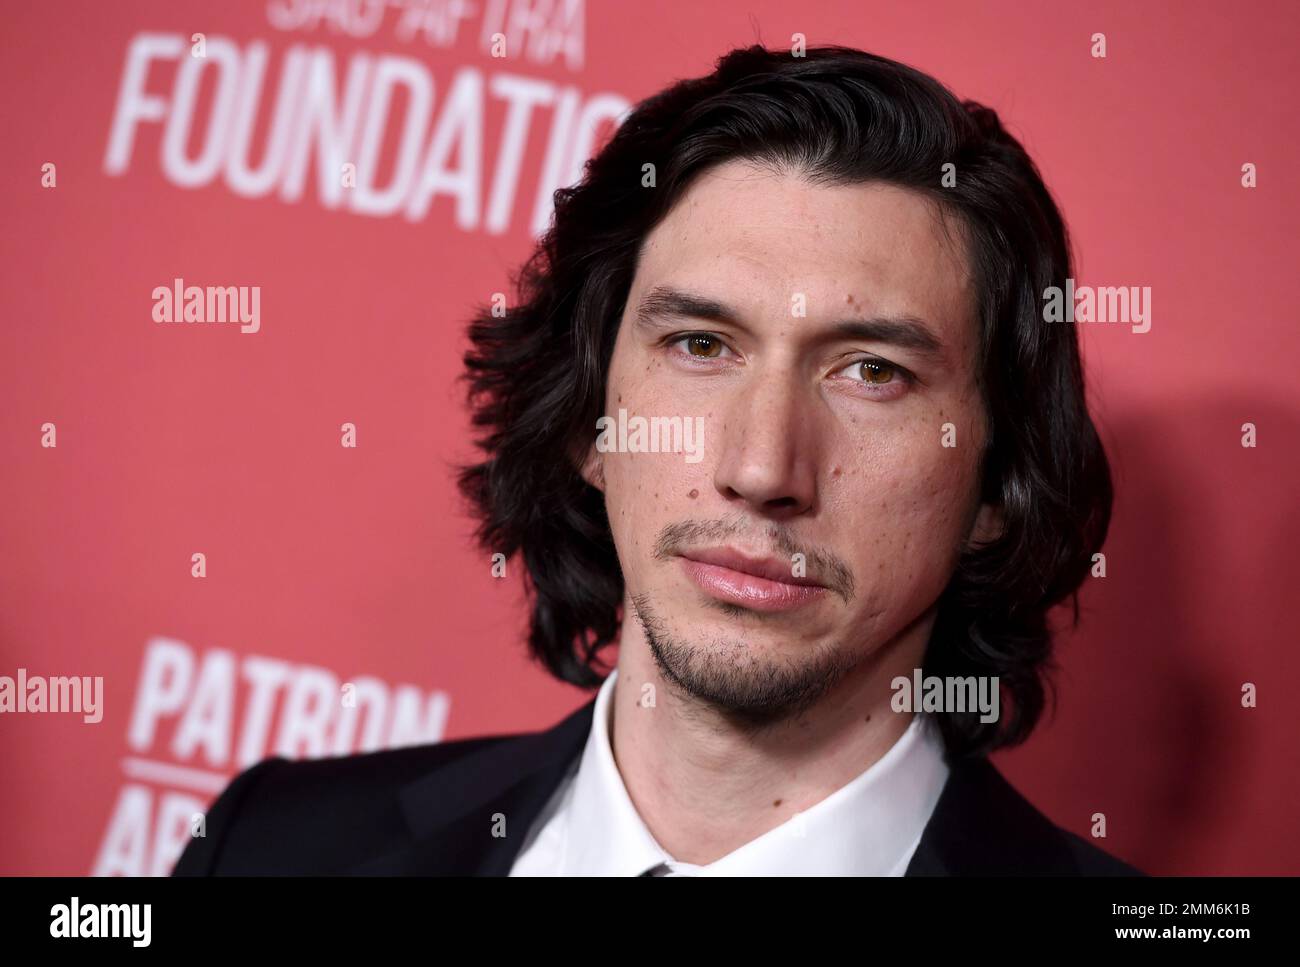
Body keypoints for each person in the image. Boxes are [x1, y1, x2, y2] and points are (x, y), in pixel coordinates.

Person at [173, 43, 1141, 877]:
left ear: (997, 485)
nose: (762, 468)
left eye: (871, 371)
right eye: (701, 347)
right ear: (589, 419)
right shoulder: (274, 848)